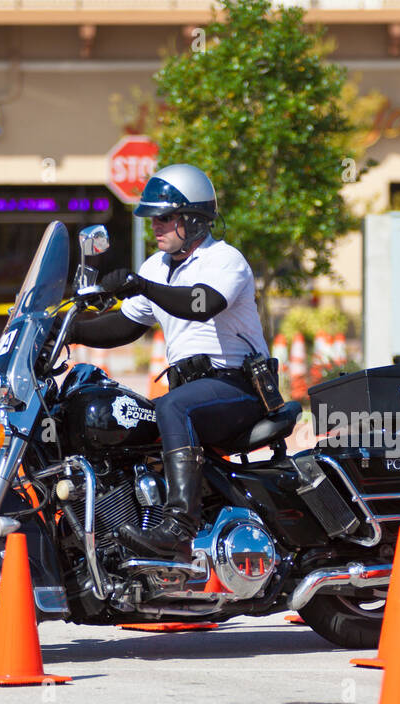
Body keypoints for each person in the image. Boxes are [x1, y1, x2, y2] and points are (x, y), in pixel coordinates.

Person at [70, 163, 269, 559]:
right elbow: (125, 325)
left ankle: (179, 525)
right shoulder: (158, 266)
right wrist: (63, 327)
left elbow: (202, 303)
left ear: (193, 220)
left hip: (238, 387)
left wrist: (142, 286)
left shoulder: (224, 260)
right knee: (129, 418)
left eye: (164, 217)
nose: (154, 226)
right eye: (153, 218)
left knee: (175, 407)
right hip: (193, 390)